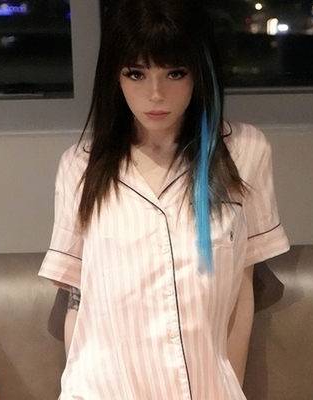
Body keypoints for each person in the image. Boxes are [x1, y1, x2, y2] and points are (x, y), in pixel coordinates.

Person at [39, 0, 290, 398]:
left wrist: (228, 387)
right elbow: (78, 300)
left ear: (199, 73)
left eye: (175, 73)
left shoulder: (244, 153)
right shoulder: (81, 167)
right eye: (136, 74)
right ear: (115, 77)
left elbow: (241, 288)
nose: (155, 94)